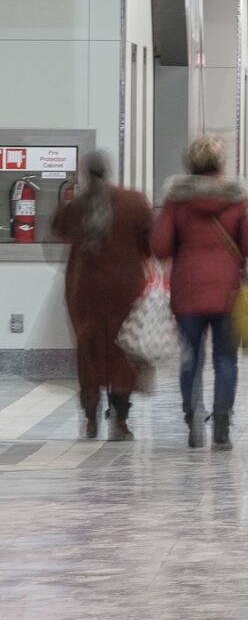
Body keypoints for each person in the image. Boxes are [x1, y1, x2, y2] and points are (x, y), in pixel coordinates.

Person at [151, 135, 248, 450]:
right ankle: (223, 417)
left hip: (186, 293)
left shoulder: (176, 200)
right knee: (226, 358)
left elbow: (159, 246)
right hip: (227, 292)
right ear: (221, 164)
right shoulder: (237, 198)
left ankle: (193, 417)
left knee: (191, 359)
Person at [51, 150, 153, 442]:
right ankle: (120, 421)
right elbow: (150, 241)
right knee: (122, 351)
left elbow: (58, 228)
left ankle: (91, 418)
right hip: (125, 288)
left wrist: (70, 193)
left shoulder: (77, 207)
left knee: (89, 350)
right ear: (108, 170)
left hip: (85, 290)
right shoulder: (133, 202)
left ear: (86, 173)